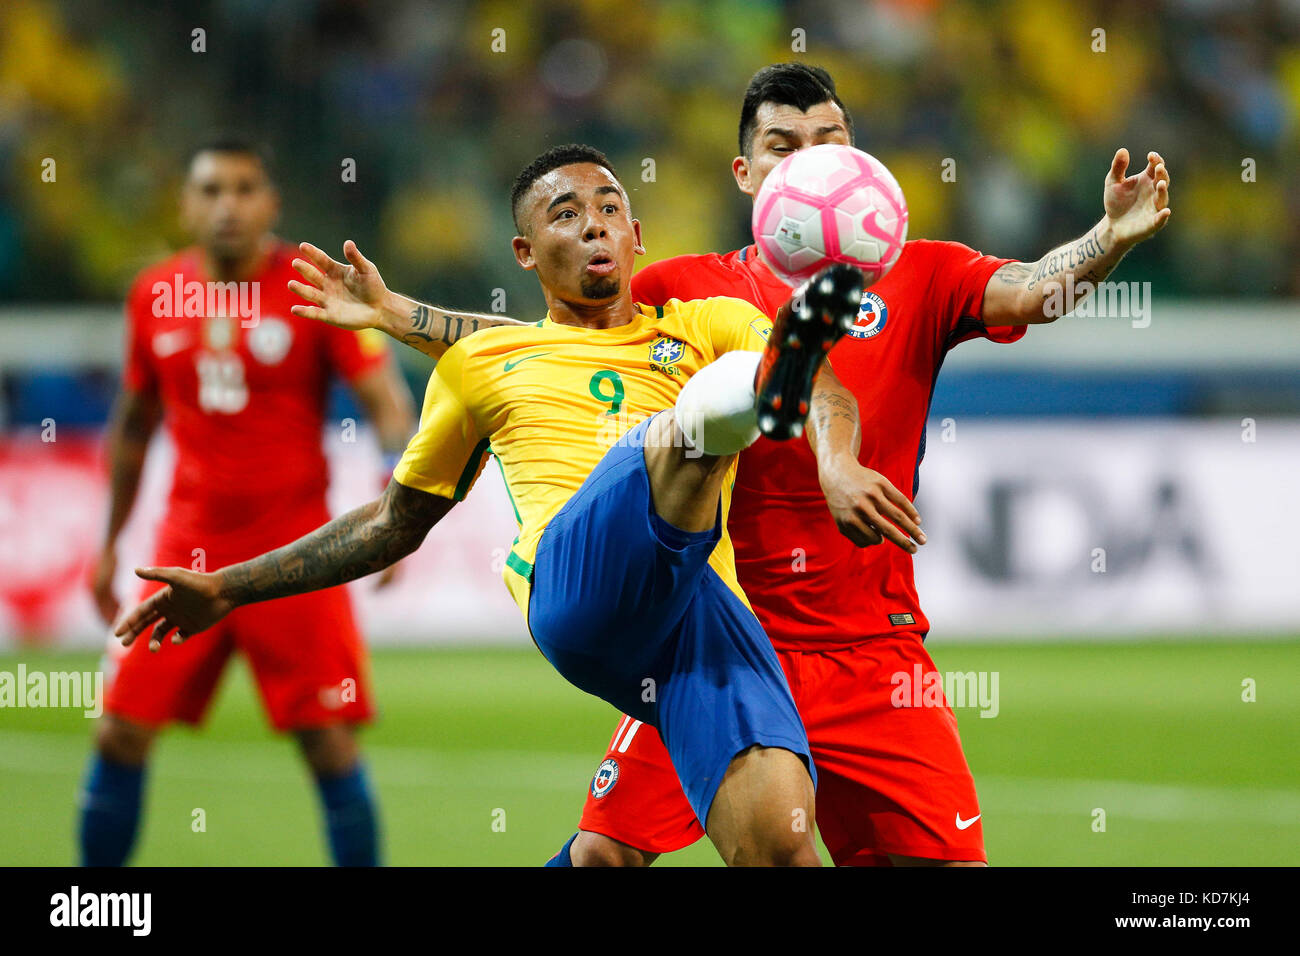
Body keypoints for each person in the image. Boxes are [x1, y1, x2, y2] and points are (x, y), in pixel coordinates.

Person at [332, 64, 1172, 867]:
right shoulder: (687, 289)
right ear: (746, 173)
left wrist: (1107, 236)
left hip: (872, 653)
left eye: (830, 139)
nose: (811, 160)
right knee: (605, 854)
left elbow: (1031, 291)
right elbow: (539, 346)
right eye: (784, 145)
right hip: (719, 636)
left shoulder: (924, 271)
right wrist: (400, 313)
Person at [113, 144, 881, 866]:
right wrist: (224, 586)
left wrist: (835, 456)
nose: (594, 226)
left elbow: (816, 381)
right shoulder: (485, 363)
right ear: (524, 253)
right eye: (566, 214)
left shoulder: (700, 324)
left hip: (699, 620)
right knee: (676, 438)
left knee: (778, 842)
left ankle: (753, 392)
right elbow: (389, 526)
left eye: (610, 209)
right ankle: (745, 400)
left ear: (638, 235)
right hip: (577, 589)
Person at [82, 136, 415, 867]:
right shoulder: (153, 295)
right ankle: (92, 905)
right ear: (185, 204)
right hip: (184, 547)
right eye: (210, 190)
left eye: (243, 189)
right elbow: (133, 429)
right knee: (119, 730)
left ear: (271, 203)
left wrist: (397, 504)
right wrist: (107, 543)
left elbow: (388, 402)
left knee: (328, 742)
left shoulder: (309, 285)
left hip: (296, 552)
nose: (226, 206)